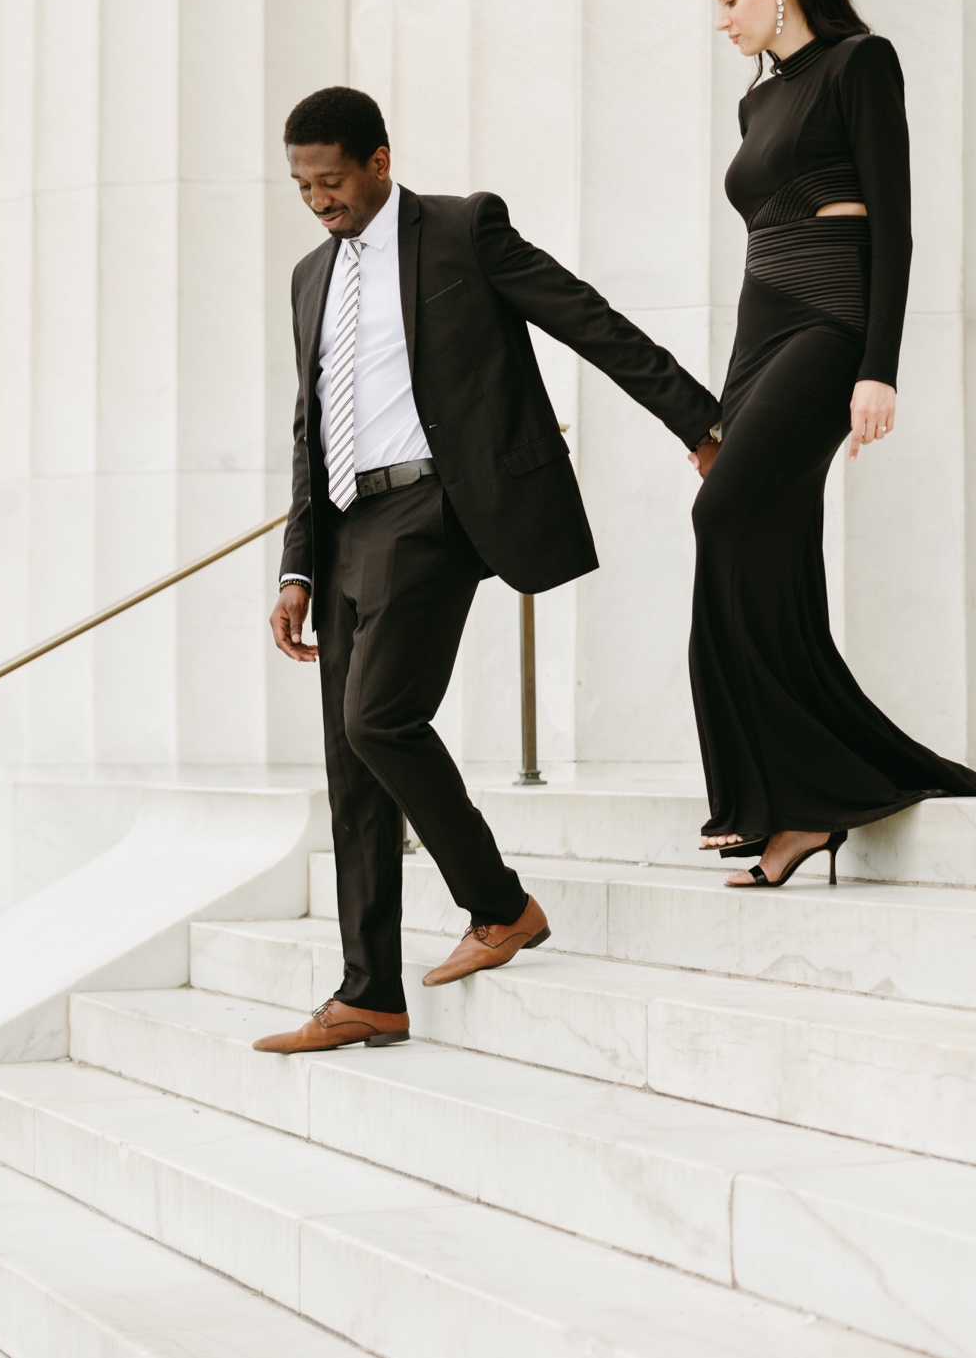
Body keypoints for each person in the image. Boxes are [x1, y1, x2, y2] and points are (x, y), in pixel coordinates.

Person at [254, 85, 721, 1052]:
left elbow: (583, 317)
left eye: (331, 180)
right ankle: (370, 992)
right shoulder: (309, 276)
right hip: (344, 529)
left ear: (380, 160)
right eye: (302, 186)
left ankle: (500, 903)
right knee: (351, 766)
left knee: (378, 719)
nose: (318, 200)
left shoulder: (464, 231)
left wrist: (698, 420)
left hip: (435, 508)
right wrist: (297, 567)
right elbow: (310, 430)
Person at [690, 0, 976, 890]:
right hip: (762, 334)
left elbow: (892, 222)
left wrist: (877, 366)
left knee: (720, 516)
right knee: (761, 541)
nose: (721, 19)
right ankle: (797, 805)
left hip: (831, 323)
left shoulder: (861, 64)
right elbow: (761, 245)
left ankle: (790, 789)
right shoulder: (755, 100)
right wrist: (727, 403)